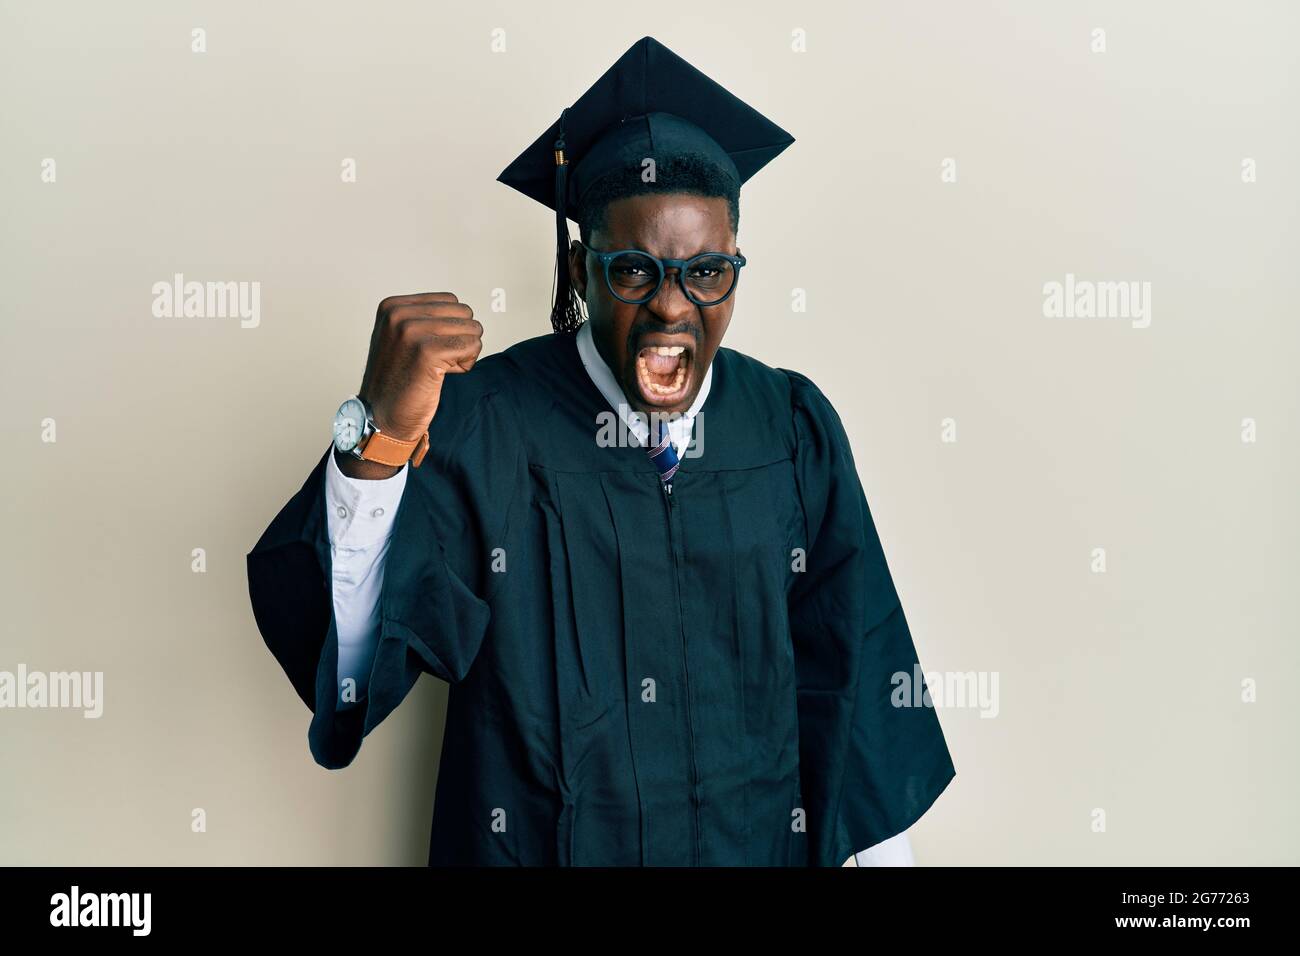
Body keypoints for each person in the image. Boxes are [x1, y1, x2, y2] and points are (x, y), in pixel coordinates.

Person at [246, 35, 955, 867]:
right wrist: (378, 436)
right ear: (580, 271)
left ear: (736, 270)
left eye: (707, 272)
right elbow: (356, 664)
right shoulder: (482, 425)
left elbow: (858, 685)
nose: (673, 308)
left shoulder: (790, 426)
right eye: (633, 272)